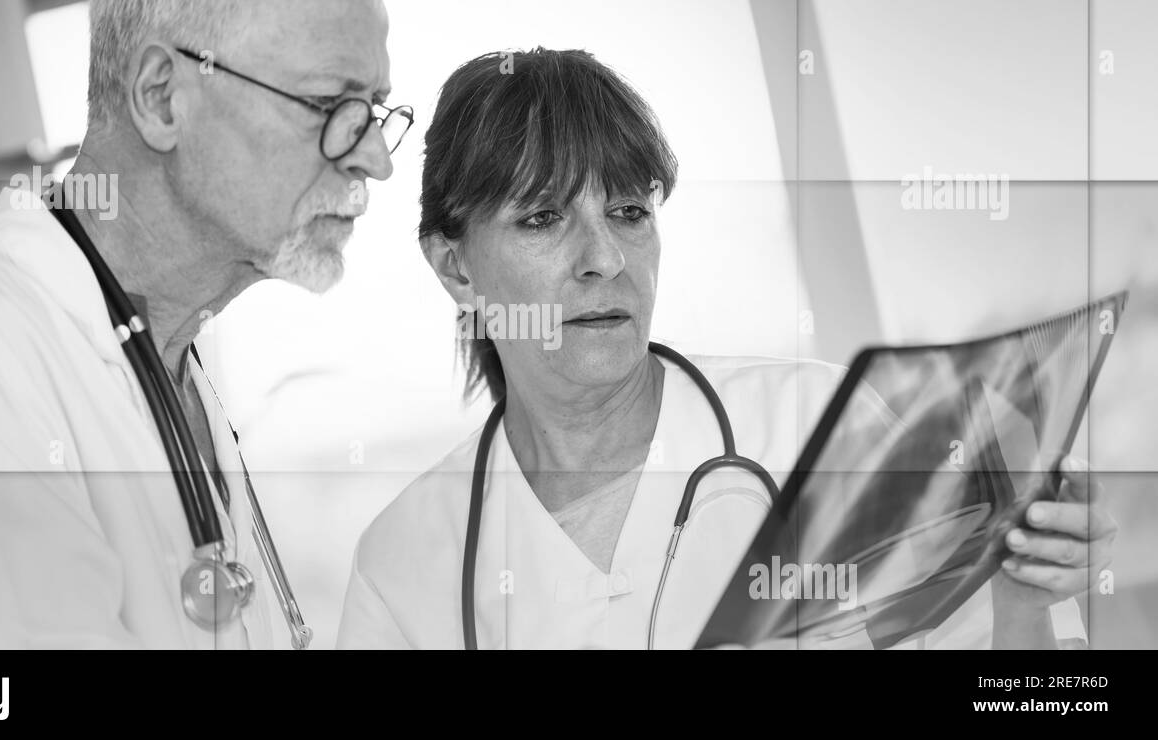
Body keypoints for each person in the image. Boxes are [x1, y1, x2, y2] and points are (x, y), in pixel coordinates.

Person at [336, 47, 1117, 649]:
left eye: (629, 212)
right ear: (455, 266)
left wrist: (1020, 598)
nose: (603, 258)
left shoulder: (829, 428)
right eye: (542, 219)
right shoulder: (401, 564)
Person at [0, 0, 403, 648]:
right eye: (329, 106)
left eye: (375, 111)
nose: (375, 159)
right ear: (162, 96)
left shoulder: (170, 359)